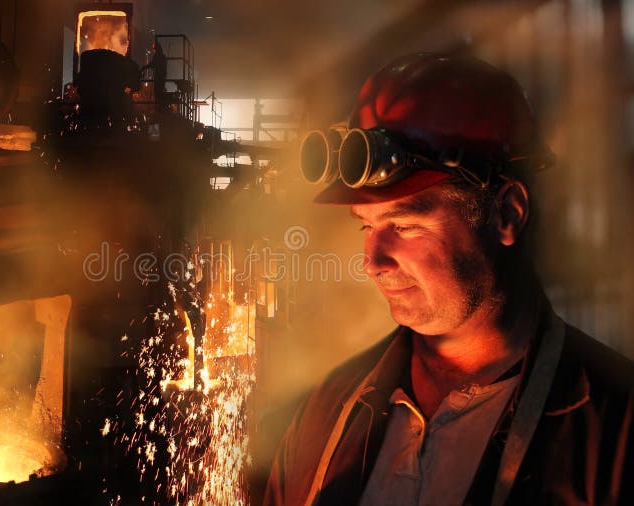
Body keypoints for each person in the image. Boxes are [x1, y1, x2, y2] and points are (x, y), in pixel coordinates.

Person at [264, 53, 634, 505]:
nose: (372, 261)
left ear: (506, 214)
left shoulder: (615, 433)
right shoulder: (325, 416)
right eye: (366, 226)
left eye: (404, 226)